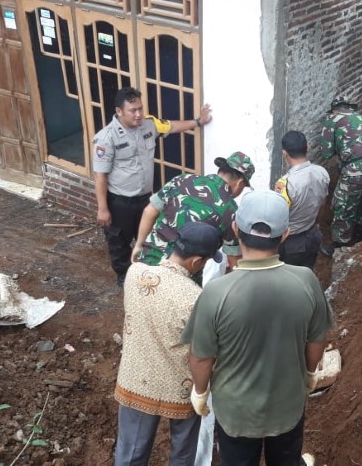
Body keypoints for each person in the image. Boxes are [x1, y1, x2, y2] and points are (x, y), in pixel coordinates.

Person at [182, 190, 335, 466]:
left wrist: (201, 391)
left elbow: (201, 357)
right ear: (286, 234)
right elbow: (316, 340)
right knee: (286, 459)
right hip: (288, 404)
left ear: (235, 229)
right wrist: (310, 374)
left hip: (236, 411)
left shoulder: (216, 292)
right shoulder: (306, 281)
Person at [113, 221, 223, 466]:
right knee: (183, 452)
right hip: (180, 388)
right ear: (196, 262)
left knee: (130, 453)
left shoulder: (134, 275)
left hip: (136, 381)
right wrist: (201, 391)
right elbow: (202, 353)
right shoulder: (196, 298)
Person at [93, 86, 212, 287]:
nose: (138, 114)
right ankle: (125, 278)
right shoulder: (106, 138)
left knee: (150, 237)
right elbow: (100, 175)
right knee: (119, 242)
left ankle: (147, 272)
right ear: (119, 111)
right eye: (133, 110)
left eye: (140, 108)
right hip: (120, 201)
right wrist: (103, 208)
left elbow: (171, 126)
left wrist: (198, 121)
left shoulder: (148, 125)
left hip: (145, 198)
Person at [132, 152, 255, 272]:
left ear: (220, 170)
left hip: (148, 259)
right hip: (181, 274)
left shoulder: (182, 179)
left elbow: (149, 211)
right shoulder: (231, 211)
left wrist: (138, 245)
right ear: (240, 183)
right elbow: (234, 260)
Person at [313, 96, 362, 257]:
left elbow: (326, 153)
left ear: (334, 109)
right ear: (349, 107)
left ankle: (340, 246)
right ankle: (359, 237)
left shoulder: (332, 119)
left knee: (344, 205)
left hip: (357, 169)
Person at [274, 131, 330, 269]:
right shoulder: (322, 172)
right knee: (307, 272)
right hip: (313, 235)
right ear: (308, 148)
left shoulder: (285, 184)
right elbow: (323, 204)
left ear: (284, 153)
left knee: (288, 278)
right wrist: (316, 225)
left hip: (292, 243)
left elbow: (279, 219)